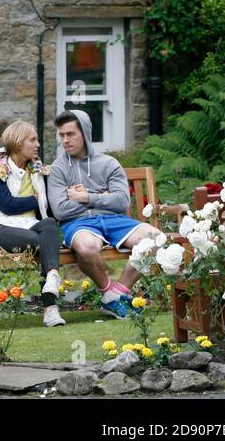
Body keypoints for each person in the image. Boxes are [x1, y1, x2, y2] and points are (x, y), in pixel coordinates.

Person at [46, 109, 162, 319]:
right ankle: (109, 294)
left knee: (155, 240)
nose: (65, 140)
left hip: (114, 220)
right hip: (79, 223)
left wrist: (86, 197)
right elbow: (60, 210)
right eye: (62, 135)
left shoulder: (109, 164)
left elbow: (122, 202)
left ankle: (116, 295)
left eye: (71, 134)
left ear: (85, 132)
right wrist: (102, 196)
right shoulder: (58, 169)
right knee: (87, 248)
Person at [0, 120, 66, 327]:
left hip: (32, 223)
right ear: (17, 143)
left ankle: (52, 278)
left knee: (50, 225)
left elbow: (49, 209)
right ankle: (50, 309)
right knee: (45, 242)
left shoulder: (36, 169)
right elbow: (8, 205)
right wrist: (36, 200)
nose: (38, 145)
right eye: (32, 140)